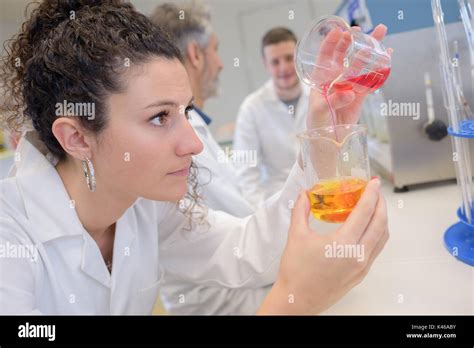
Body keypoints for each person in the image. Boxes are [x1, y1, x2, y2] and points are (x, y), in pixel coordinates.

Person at [0, 0, 389, 315]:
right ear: (77, 138)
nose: (194, 143)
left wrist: (322, 133)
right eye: (159, 117)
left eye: (185, 112)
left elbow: (244, 251)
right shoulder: (10, 236)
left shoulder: (145, 206)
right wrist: (295, 302)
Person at [150, 2, 255, 218]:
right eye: (215, 50)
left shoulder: (190, 126)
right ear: (195, 54)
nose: (221, 64)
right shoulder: (189, 136)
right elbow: (242, 220)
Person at [233, 27, 310, 207]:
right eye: (275, 62)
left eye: (289, 58)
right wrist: (263, 215)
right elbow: (246, 173)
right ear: (265, 64)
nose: (284, 67)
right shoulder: (251, 108)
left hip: (323, 195)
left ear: (299, 56)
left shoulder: (319, 95)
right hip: (279, 201)